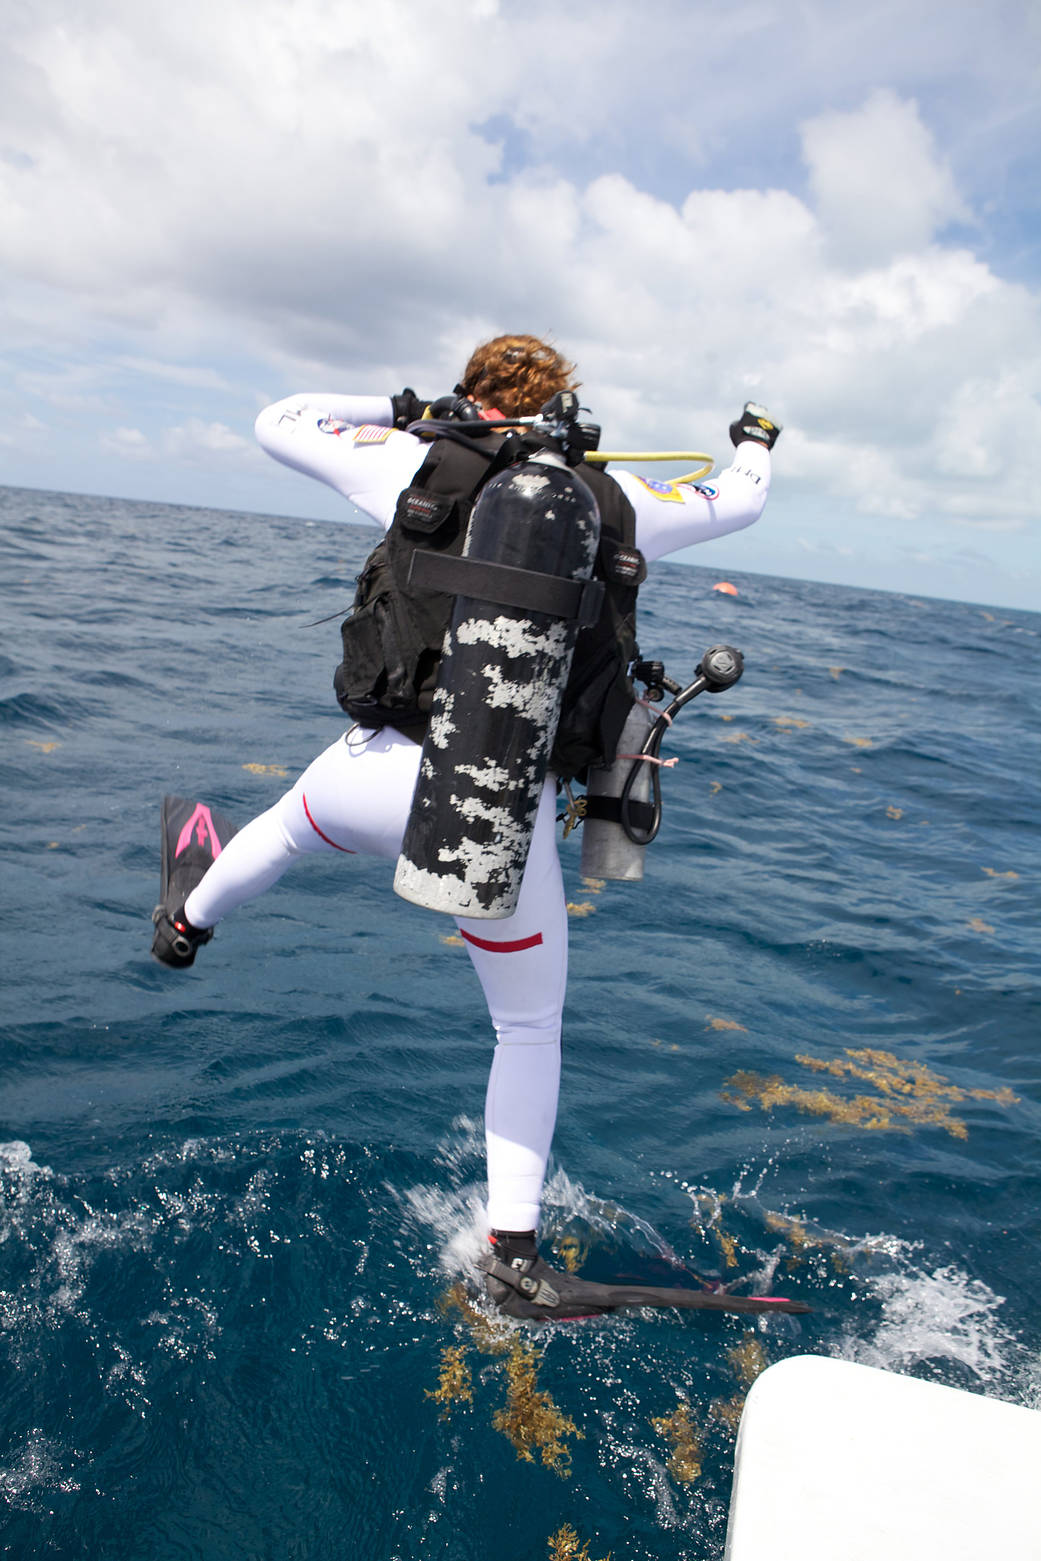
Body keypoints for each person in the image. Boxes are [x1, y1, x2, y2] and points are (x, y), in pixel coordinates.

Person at [152, 334, 783, 1319]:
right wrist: (754, 442)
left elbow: (276, 418)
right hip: (496, 812)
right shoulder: (609, 506)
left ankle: (184, 929)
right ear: (560, 409)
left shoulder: (416, 462)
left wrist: (403, 406)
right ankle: (515, 1256)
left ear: (473, 396)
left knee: (277, 830)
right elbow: (742, 499)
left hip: (364, 777)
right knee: (526, 1024)